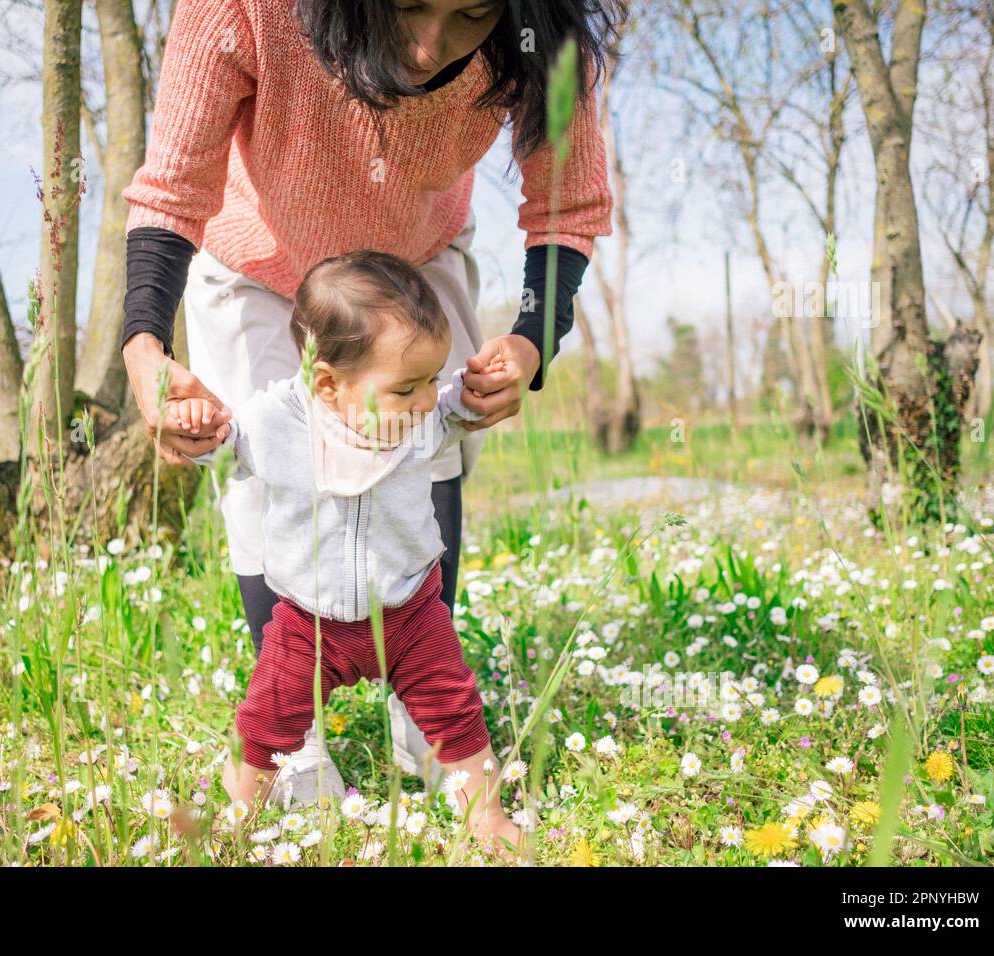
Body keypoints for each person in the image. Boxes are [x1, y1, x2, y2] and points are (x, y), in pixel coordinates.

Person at [121, 0, 623, 801]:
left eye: (469, 16)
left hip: (413, 264)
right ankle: (294, 738)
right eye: (409, 8)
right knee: (264, 480)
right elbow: (173, 188)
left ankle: (425, 715)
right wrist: (146, 341)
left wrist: (531, 342)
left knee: (432, 449)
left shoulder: (542, 34)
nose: (429, 47)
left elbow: (569, 201)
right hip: (257, 258)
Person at [175, 250, 520, 853]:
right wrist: (198, 424)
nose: (423, 403)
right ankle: (233, 820)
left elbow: (458, 410)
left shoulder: (421, 418)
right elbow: (220, 446)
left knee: (455, 709)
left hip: (410, 612)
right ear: (327, 383)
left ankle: (485, 818)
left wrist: (476, 389)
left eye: (431, 382)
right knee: (264, 724)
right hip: (308, 623)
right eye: (405, 388)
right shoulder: (275, 422)